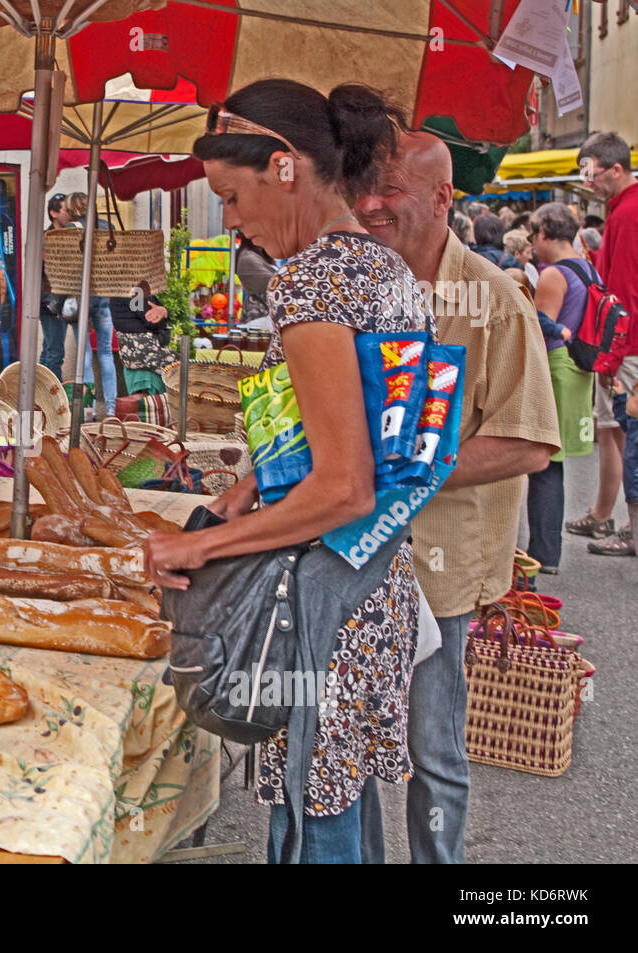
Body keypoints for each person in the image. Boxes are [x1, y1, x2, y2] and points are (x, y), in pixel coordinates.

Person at [147, 78, 424, 864]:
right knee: (335, 806)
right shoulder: (382, 267)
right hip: (375, 586)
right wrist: (256, 484)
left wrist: (199, 549)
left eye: (231, 198)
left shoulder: (312, 284)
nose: (232, 221)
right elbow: (369, 441)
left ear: (285, 167)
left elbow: (343, 486)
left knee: (311, 826)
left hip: (315, 606)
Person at [353, 131, 558, 864]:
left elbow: (530, 441)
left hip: (437, 570)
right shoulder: (359, 284)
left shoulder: (496, 299)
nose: (370, 203)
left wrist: (405, 472)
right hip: (350, 550)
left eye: (391, 188)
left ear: (444, 197)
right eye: (364, 186)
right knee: (344, 747)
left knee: (431, 749)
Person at [566, 132, 638, 556]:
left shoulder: (627, 214)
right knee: (614, 432)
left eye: (591, 171)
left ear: (615, 168)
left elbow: (626, 293)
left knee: (622, 434)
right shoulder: (622, 211)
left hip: (627, 345)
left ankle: (624, 525)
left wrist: (612, 356)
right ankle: (604, 513)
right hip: (626, 343)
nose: (587, 180)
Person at [524, 203, 596, 576]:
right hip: (579, 368)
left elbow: (539, 325)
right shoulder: (587, 266)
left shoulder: (555, 274)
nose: (532, 243)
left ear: (545, 234)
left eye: (533, 234)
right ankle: (548, 550)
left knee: (544, 462)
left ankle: (543, 553)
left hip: (555, 366)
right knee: (555, 461)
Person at [63, 191, 117, 418]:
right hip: (105, 294)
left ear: (72, 208)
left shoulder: (69, 231)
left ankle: (88, 410)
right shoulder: (107, 227)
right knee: (105, 353)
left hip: (80, 296)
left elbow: (64, 265)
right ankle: (112, 409)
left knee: (84, 354)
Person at [110, 280, 174, 380]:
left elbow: (158, 310)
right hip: (143, 351)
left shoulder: (127, 288)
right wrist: (164, 314)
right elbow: (152, 321)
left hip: (135, 351)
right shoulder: (135, 291)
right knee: (184, 369)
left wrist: (164, 311)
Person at [38, 193, 70, 382]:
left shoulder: (69, 236)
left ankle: (38, 391)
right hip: (51, 302)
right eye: (66, 210)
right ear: (54, 213)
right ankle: (51, 394)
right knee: (55, 352)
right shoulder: (46, 238)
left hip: (61, 301)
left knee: (50, 348)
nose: (71, 214)